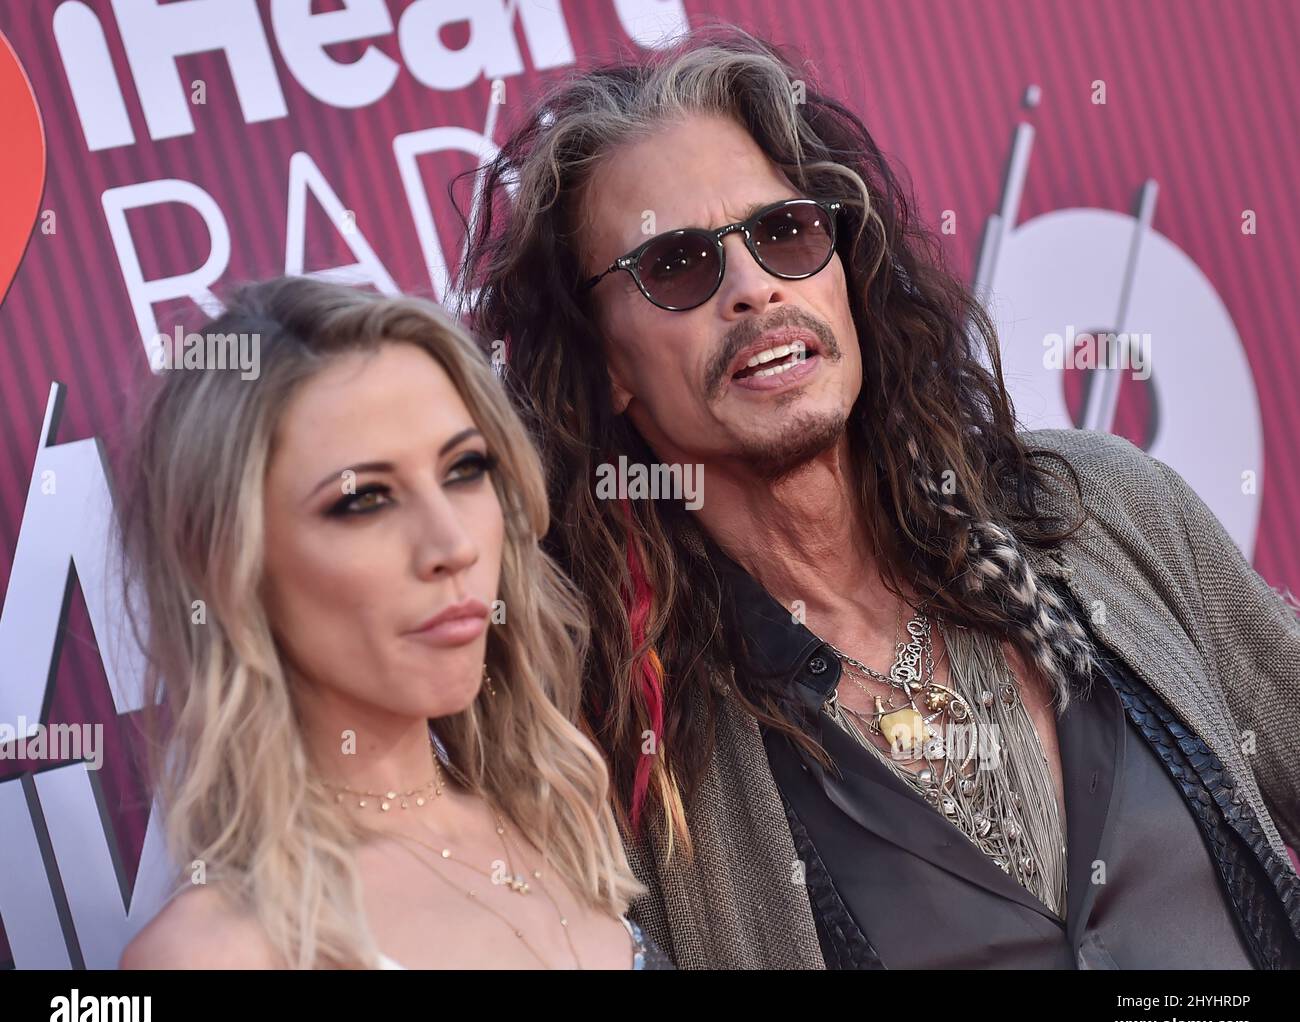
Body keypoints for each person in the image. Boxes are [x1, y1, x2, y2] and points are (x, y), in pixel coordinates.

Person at [455, 26, 1300, 969]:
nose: (752, 290)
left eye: (785, 232)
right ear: (604, 361)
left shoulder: (1102, 507)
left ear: (842, 264)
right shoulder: (622, 735)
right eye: (677, 266)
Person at [114, 276, 673, 969]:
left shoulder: (558, 812)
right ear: (230, 563)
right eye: (364, 500)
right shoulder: (218, 952)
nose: (452, 546)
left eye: (465, 469)